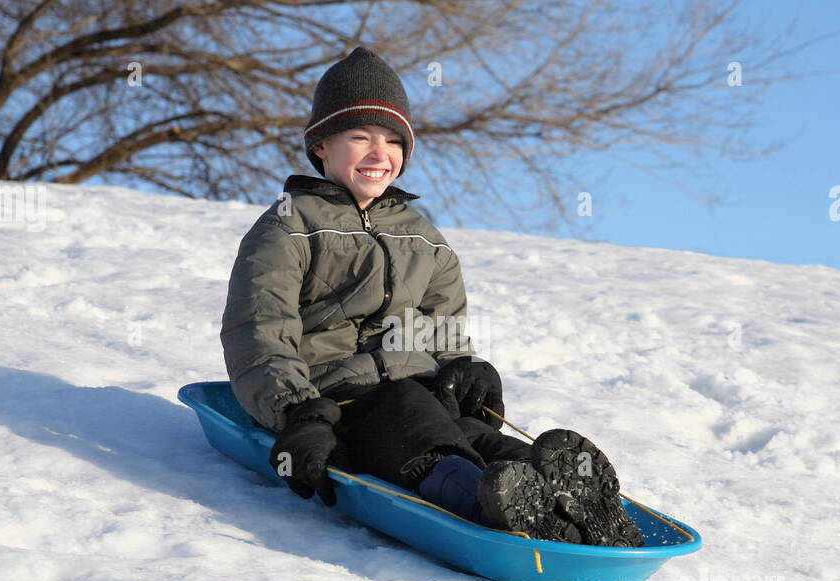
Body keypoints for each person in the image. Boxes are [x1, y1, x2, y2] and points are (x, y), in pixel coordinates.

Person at [220, 46, 641, 547]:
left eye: (393, 141)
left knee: (474, 435)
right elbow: (259, 334)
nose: (380, 155)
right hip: (336, 402)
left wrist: (463, 368)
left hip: (419, 393)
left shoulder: (423, 237)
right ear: (321, 146)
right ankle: (485, 506)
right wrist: (300, 413)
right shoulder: (287, 227)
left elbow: (441, 328)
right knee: (416, 426)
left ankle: (567, 501)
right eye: (360, 137)